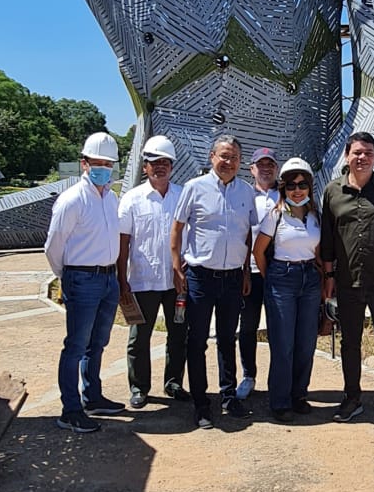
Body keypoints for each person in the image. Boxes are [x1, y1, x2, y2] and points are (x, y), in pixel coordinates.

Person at [171, 135, 256, 429]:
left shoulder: (246, 191)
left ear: (240, 162)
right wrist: (176, 264)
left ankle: (228, 395)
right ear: (212, 157)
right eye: (223, 156)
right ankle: (201, 402)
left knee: (226, 339)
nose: (228, 162)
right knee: (196, 341)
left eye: (234, 157)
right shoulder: (195, 188)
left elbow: (248, 235)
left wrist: (246, 271)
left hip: (232, 278)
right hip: (200, 276)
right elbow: (178, 226)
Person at [320, 131, 374, 424]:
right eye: (357, 152)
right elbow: (327, 238)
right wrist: (328, 275)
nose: (362, 157)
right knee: (349, 343)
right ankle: (351, 397)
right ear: (347, 156)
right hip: (347, 281)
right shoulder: (333, 192)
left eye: (368, 152)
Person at [44, 132, 125, 433]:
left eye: (109, 163)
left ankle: (93, 396)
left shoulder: (111, 197)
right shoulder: (72, 200)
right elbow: (53, 245)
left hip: (107, 278)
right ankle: (70, 409)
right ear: (84, 164)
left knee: (97, 343)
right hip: (82, 277)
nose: (104, 168)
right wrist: (66, 276)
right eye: (98, 163)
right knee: (76, 346)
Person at [117, 135, 189, 409]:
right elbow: (123, 243)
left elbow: (192, 236)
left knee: (178, 334)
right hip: (142, 281)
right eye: (154, 163)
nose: (160, 167)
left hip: (176, 282)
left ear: (172, 166)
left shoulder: (183, 196)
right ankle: (139, 387)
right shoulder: (132, 200)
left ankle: (173, 383)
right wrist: (121, 279)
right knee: (139, 338)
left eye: (165, 163)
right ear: (144, 167)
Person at [252, 157, 325, 423]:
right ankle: (280, 400)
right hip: (282, 277)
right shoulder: (275, 214)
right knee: (283, 344)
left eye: (302, 184)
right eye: (291, 185)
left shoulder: (315, 216)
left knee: (305, 342)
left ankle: (299, 395)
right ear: (283, 188)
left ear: (309, 187)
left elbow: (317, 251)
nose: (297, 190)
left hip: (309, 278)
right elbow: (258, 251)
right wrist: (270, 274)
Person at [236, 148, 278, 401]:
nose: (265, 168)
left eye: (270, 164)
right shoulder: (243, 195)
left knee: (278, 328)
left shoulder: (286, 194)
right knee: (248, 326)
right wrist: (244, 272)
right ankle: (248, 375)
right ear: (251, 169)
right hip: (249, 271)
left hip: (278, 272)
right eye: (260, 165)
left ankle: (278, 378)